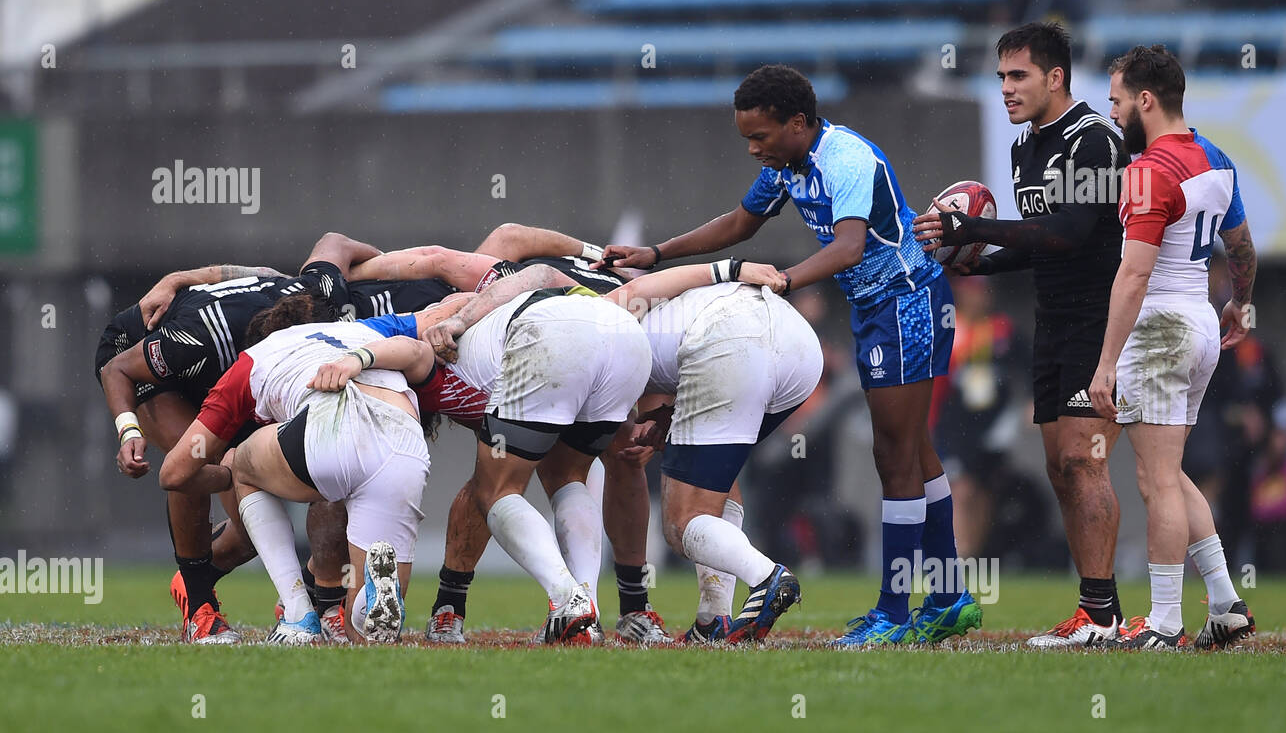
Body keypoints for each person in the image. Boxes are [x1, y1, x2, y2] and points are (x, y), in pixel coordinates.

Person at [600, 64, 979, 647]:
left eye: (761, 136)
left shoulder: (845, 159)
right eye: (746, 138)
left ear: (798, 123)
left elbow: (851, 246)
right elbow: (738, 223)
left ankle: (894, 612)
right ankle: (950, 595)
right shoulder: (787, 165)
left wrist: (786, 279)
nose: (754, 149)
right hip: (878, 308)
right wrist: (657, 253)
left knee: (895, 453)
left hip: (905, 302)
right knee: (914, 450)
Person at [913, 21, 1132, 648]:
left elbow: (1070, 232)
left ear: (1055, 77)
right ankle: (1100, 613)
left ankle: (1099, 618)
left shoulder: (1095, 139)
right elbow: (1039, 246)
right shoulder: (1023, 148)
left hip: (1101, 318)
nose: (1006, 89)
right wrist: (976, 259)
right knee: (1059, 470)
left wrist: (973, 232)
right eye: (1001, 77)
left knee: (1081, 462)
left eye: (1019, 76)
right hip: (1054, 318)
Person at [96, 234, 374, 642]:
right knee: (193, 458)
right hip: (142, 364)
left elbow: (326, 247)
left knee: (252, 524)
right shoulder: (196, 338)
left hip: (234, 363)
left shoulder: (321, 298)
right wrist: (128, 430)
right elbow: (116, 370)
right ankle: (199, 605)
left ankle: (199, 574)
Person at [1088, 44, 1257, 650]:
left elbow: (1133, 275)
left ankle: (1163, 622)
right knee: (1169, 472)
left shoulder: (1146, 170)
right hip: (1203, 324)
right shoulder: (1214, 156)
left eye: (1116, 100)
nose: (1112, 114)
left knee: (1155, 480)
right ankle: (1224, 601)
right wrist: (1240, 301)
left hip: (1160, 327)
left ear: (1146, 100)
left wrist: (1105, 364)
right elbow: (1241, 244)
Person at [158, 294, 434, 644]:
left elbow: (174, 473)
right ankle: (365, 604)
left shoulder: (255, 358)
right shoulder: (360, 329)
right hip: (404, 443)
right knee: (363, 634)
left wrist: (228, 475)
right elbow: (421, 352)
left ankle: (297, 613)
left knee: (240, 462)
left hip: (330, 427)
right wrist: (359, 359)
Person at [421, 266, 654, 643]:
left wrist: (458, 318)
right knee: (568, 474)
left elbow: (533, 266)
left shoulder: (433, 336)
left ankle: (566, 599)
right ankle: (587, 614)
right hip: (626, 334)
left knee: (493, 489)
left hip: (551, 336)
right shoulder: (515, 293)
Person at [607, 260, 822, 642]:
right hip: (799, 348)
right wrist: (663, 419)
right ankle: (713, 619)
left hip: (729, 336)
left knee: (680, 523)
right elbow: (656, 406)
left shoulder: (601, 314)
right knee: (716, 482)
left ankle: (767, 577)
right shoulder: (666, 310)